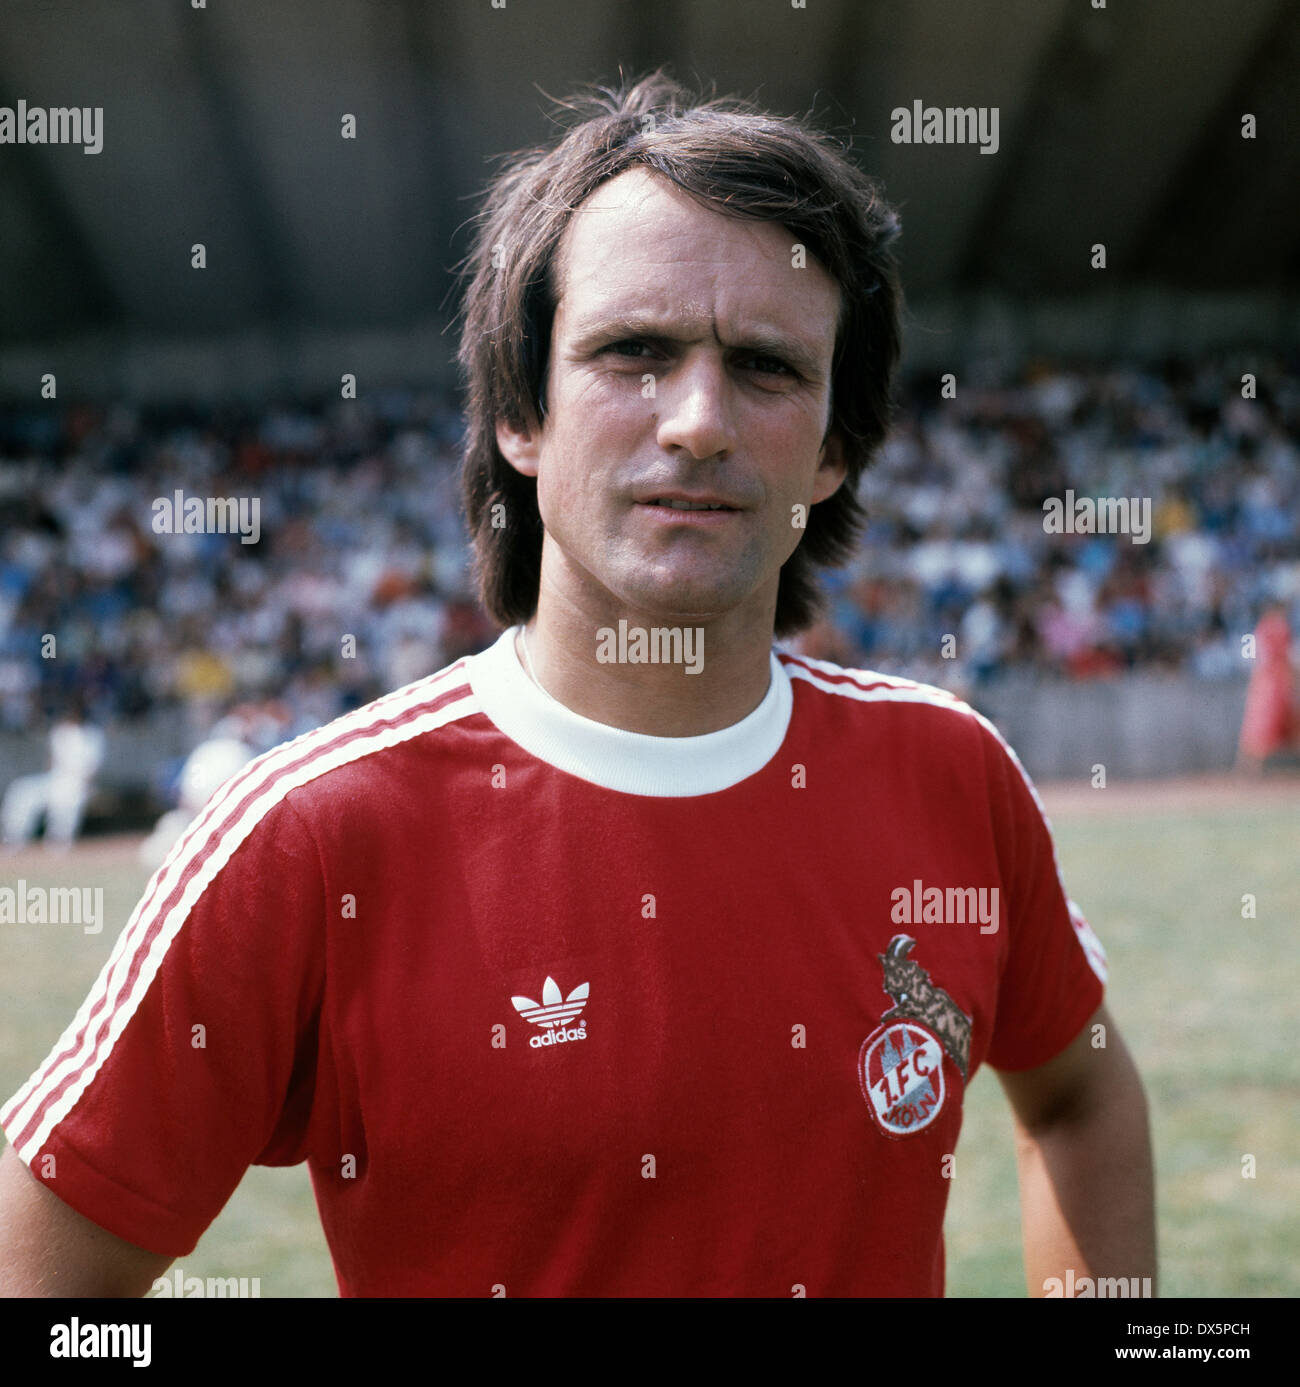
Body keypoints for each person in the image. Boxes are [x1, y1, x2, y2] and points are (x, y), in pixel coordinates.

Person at [0, 71, 1154, 1297]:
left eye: (765, 366)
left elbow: (1079, 1093)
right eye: (633, 351)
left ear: (833, 448)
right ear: (520, 415)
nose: (698, 420)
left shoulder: (952, 775)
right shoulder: (304, 840)